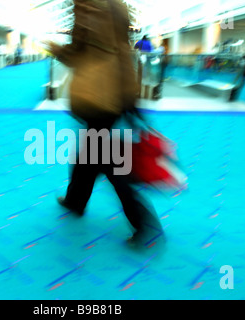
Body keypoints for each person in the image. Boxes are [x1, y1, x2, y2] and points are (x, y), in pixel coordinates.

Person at [45, 0, 163, 246]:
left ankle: (144, 223)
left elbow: (78, 53)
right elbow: (119, 47)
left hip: (96, 96)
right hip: (116, 90)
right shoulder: (118, 6)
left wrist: (56, 49)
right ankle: (75, 200)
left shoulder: (87, 5)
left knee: (109, 162)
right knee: (89, 156)